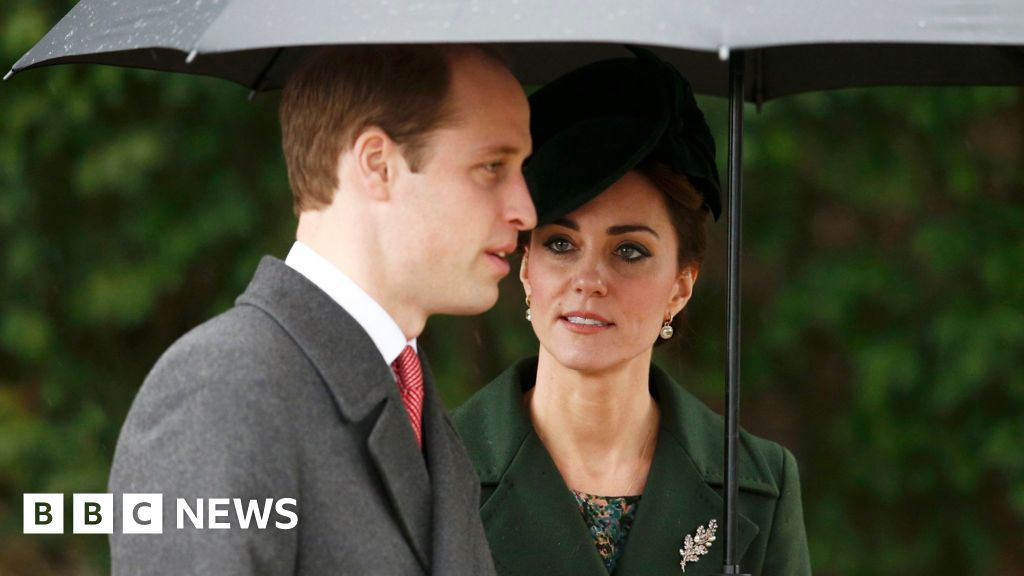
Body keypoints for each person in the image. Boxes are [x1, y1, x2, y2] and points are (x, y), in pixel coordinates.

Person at [108, 44, 535, 575]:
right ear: (379, 165)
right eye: (491, 167)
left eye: (520, 169)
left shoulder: (422, 412)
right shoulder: (219, 390)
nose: (525, 210)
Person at [452, 49, 811, 576]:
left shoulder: (760, 485)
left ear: (681, 287)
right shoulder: (429, 470)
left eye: (630, 251)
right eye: (559, 244)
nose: (588, 281)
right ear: (526, 268)